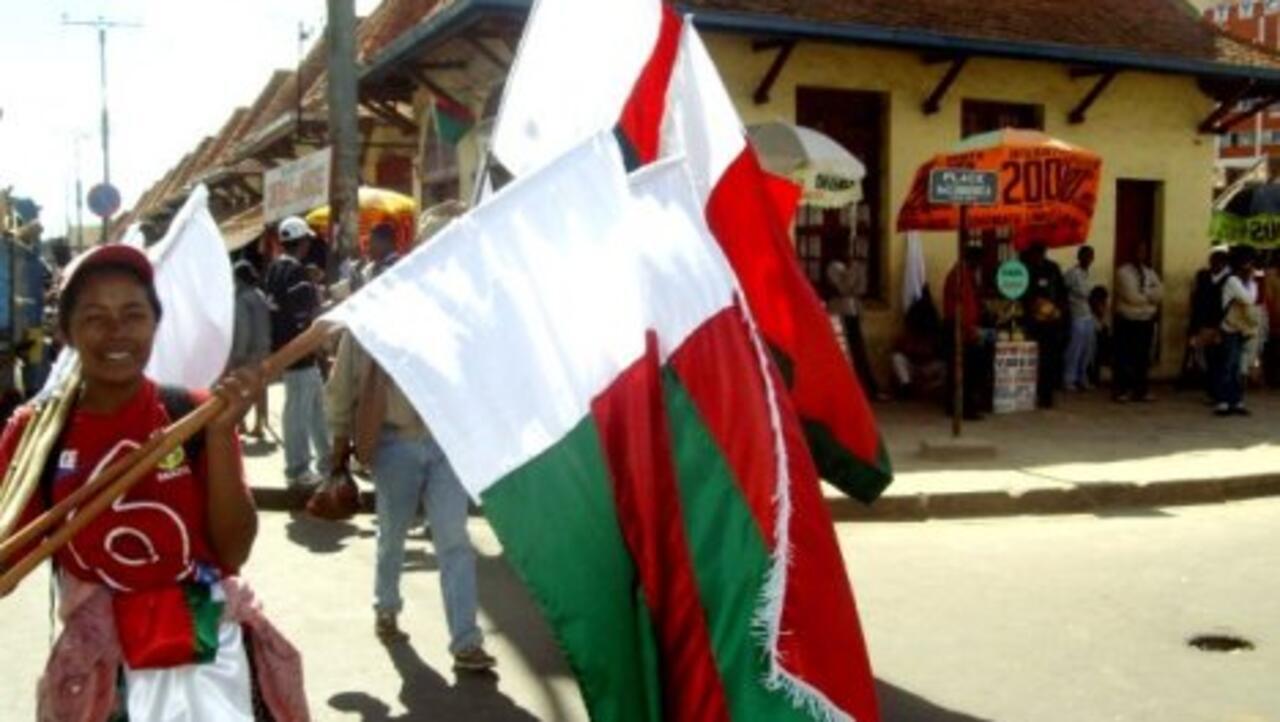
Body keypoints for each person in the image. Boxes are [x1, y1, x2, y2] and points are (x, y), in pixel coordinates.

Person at [0, 245, 306, 721]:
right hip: (103, 680)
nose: (116, 333)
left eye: (133, 314)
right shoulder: (36, 434)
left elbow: (232, 552)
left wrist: (222, 436)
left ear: (155, 323)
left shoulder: (197, 414)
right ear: (66, 331)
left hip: (212, 660)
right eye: (95, 317)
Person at [324, 230, 494, 671]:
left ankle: (465, 641)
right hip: (393, 444)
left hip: (444, 447)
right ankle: (386, 607)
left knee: (454, 541)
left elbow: (474, 382)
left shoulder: (450, 323)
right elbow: (340, 393)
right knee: (392, 536)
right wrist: (338, 450)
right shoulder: (362, 330)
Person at [264, 217, 331, 491]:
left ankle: (327, 461)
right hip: (300, 352)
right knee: (299, 412)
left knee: (315, 408)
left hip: (285, 349)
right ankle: (298, 468)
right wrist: (316, 346)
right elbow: (303, 317)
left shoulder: (273, 270)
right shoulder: (296, 273)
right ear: (302, 242)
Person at [826, 259, 885, 401]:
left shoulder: (853, 268)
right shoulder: (833, 268)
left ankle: (866, 388)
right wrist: (853, 272)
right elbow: (844, 288)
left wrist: (858, 270)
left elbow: (860, 289)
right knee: (843, 352)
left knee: (858, 352)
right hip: (840, 314)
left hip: (852, 313)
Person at [1112, 243, 1163, 403]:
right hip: (1128, 320)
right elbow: (1131, 297)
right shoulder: (1123, 272)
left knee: (1142, 357)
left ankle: (1140, 390)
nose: (1141, 254)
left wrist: (1147, 296)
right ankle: (1122, 390)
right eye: (1138, 251)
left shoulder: (1150, 272)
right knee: (1125, 357)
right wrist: (1149, 297)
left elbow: (1160, 293)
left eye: (1143, 251)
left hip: (1145, 320)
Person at [943, 244, 989, 420]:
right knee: (966, 372)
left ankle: (955, 405)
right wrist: (970, 331)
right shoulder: (961, 277)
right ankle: (965, 408)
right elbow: (962, 309)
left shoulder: (964, 275)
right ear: (973, 260)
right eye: (979, 262)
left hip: (961, 327)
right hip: (960, 329)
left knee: (959, 371)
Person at [1214, 246, 1260, 416]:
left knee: (1238, 366)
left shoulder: (1248, 281)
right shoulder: (1232, 281)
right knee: (1228, 364)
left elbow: (1252, 298)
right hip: (1229, 328)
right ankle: (1224, 401)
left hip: (1241, 327)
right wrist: (1249, 282)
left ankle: (1236, 400)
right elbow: (1248, 298)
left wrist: (1250, 281)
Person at [230, 260, 272, 438]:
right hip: (263, 348)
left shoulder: (241, 299)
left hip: (247, 352)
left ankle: (241, 424)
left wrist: (238, 354)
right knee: (260, 387)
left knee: (241, 389)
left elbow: (243, 328)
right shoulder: (259, 295)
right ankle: (260, 424)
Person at [1021, 242, 1067, 408]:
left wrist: (1058, 310)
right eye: (1036, 252)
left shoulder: (1053, 268)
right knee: (1033, 359)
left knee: (1049, 359)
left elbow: (1062, 293)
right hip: (1032, 322)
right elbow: (1022, 294)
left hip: (1050, 322)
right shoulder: (1024, 269)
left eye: (1041, 252)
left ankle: (1046, 395)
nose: (1039, 255)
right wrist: (1033, 305)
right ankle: (1029, 394)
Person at [1186, 246, 1231, 393]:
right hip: (1203, 321)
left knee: (1218, 357)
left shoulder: (1228, 280)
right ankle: (1208, 385)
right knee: (1204, 356)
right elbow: (1196, 298)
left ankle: (1217, 388)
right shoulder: (1203, 276)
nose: (1214, 265)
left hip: (1219, 322)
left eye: (1218, 262)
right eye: (1212, 261)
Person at [1062, 245, 1097, 391]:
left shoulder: (1087, 274)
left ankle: (1082, 378)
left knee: (1087, 349)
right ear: (1079, 256)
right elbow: (1064, 291)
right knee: (1074, 349)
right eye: (1086, 255)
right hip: (1076, 315)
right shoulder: (1072, 273)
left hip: (1087, 315)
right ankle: (1068, 379)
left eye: (1090, 256)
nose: (1088, 259)